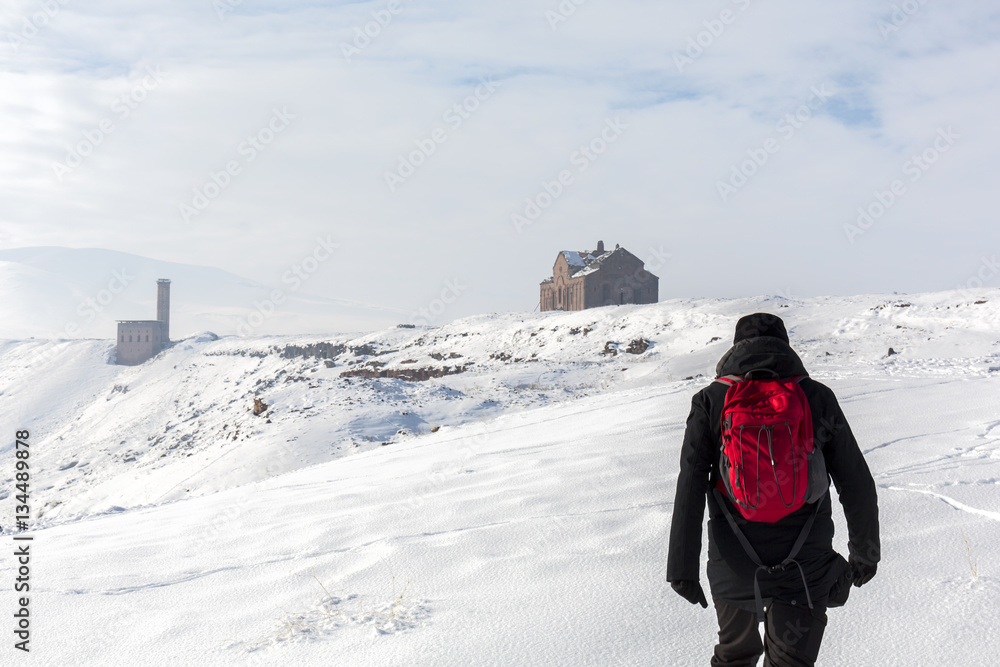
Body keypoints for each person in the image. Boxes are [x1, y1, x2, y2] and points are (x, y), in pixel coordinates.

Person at [667, 313, 880, 667]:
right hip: (805, 565)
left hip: (733, 563)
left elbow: (689, 485)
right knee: (790, 662)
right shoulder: (816, 397)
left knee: (735, 655)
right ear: (786, 347)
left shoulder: (710, 401)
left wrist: (681, 568)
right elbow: (856, 481)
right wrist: (865, 553)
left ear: (736, 348)